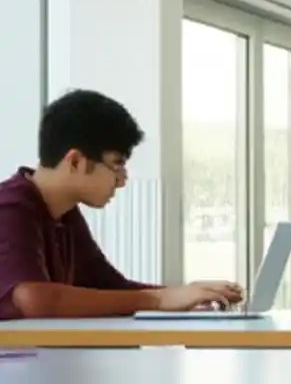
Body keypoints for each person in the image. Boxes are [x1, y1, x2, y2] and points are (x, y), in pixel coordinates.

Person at [0, 89, 243, 320]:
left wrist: (189, 296)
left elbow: (111, 287)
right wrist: (159, 299)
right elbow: (33, 298)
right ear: (75, 161)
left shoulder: (65, 214)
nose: (122, 180)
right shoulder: (11, 207)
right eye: (117, 165)